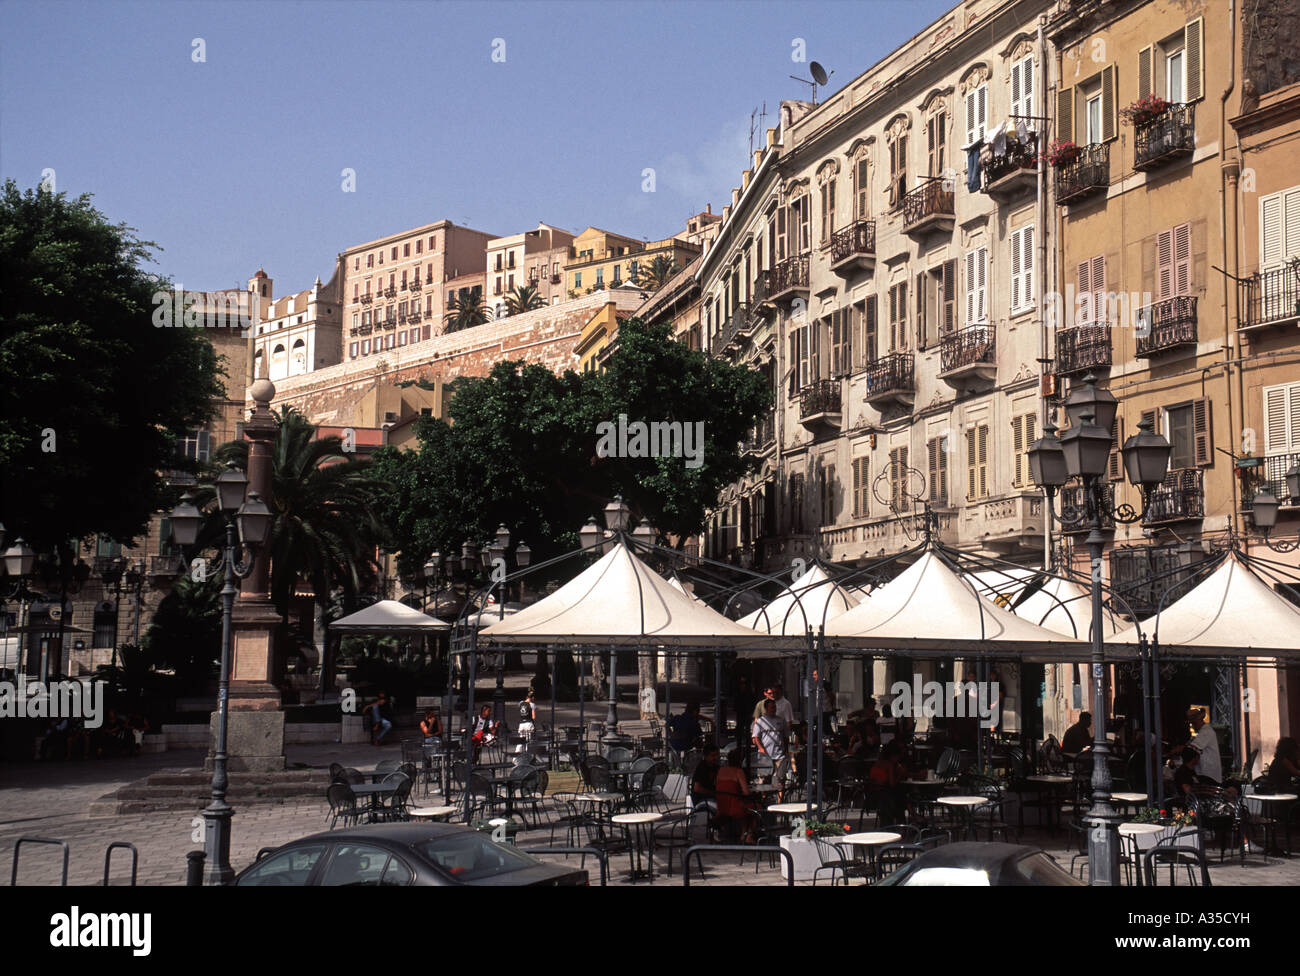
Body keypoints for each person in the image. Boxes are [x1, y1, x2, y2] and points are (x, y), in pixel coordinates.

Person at [714, 748, 760, 843]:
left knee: (748, 807)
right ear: (741, 761)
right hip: (735, 808)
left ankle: (744, 834)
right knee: (756, 808)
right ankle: (748, 835)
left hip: (721, 807)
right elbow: (746, 792)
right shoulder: (738, 772)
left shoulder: (720, 771)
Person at [1170, 708, 1221, 785]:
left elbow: (1192, 749)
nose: (1193, 726)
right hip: (1203, 774)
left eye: (1194, 723)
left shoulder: (1206, 732)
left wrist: (1179, 750)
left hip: (1208, 775)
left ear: (1199, 720)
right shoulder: (1200, 733)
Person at [752, 698, 790, 791]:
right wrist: (761, 749)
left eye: (774, 707)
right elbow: (756, 737)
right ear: (766, 708)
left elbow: (786, 736)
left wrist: (786, 749)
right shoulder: (760, 721)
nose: (774, 709)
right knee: (764, 780)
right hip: (765, 756)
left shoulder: (781, 720)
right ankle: (764, 800)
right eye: (771, 707)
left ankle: (779, 802)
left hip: (779, 755)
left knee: (780, 780)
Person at [690, 744, 720, 811]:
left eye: (717, 755)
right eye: (712, 756)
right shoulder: (701, 768)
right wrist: (713, 793)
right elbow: (697, 788)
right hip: (702, 800)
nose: (715, 758)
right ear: (706, 756)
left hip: (712, 798)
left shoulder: (716, 767)